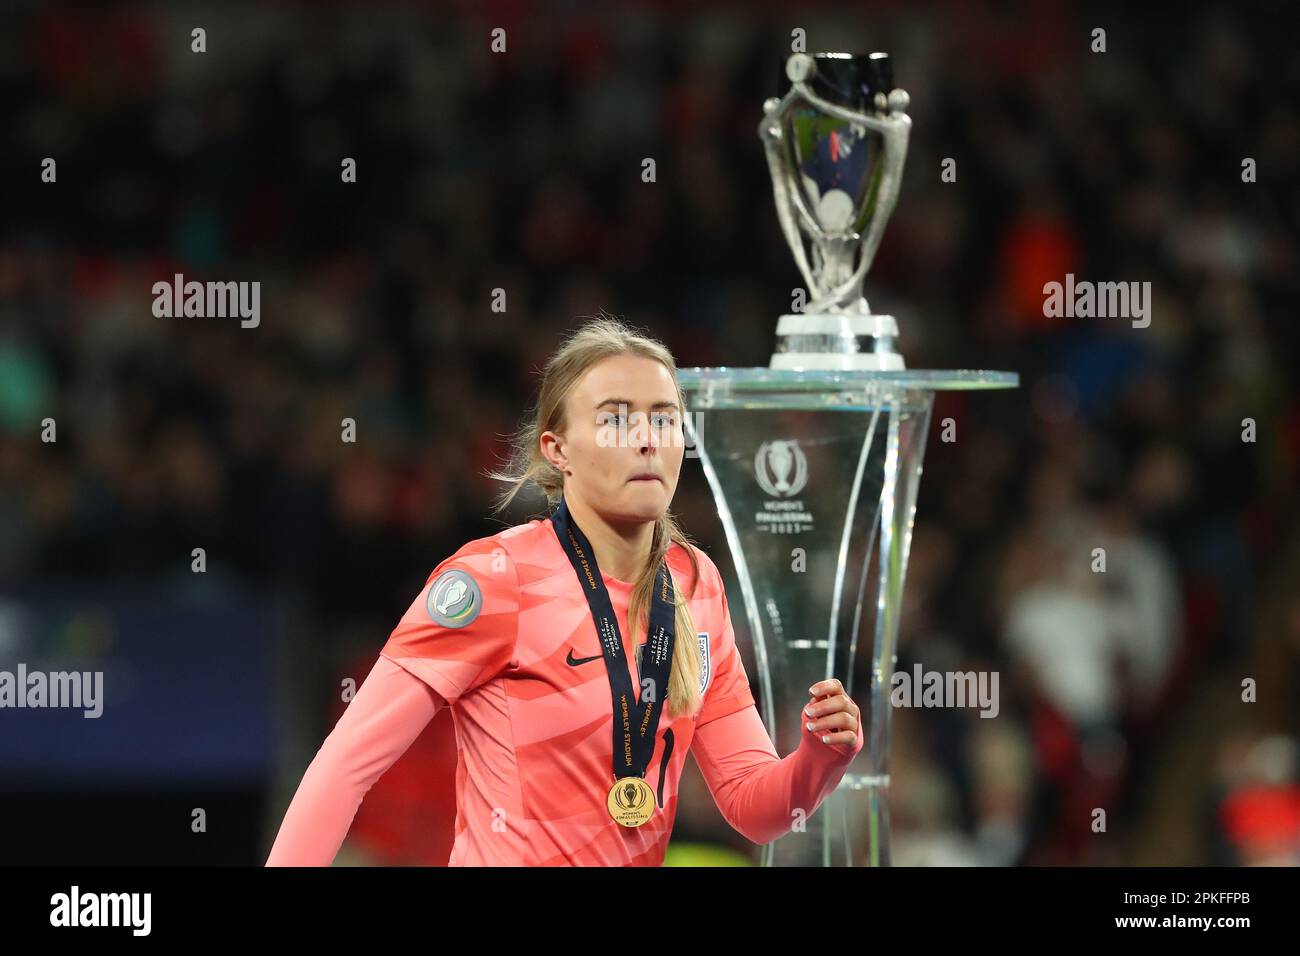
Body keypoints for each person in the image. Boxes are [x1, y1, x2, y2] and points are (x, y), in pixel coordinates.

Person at [266, 315, 863, 866]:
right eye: (615, 419)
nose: (647, 438)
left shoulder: (695, 584)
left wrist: (817, 761)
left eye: (663, 417)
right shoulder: (492, 580)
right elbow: (343, 768)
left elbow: (752, 808)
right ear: (558, 450)